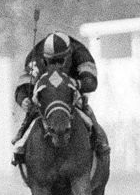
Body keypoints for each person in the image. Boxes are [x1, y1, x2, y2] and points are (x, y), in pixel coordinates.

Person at [11, 31, 110, 166]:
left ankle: (99, 140)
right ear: (44, 58)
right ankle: (21, 144)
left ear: (69, 55)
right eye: (51, 62)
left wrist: (77, 84)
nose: (56, 66)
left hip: (71, 96)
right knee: (33, 112)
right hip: (46, 100)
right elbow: (22, 87)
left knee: (85, 109)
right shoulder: (36, 56)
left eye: (60, 61)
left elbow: (91, 81)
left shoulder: (80, 53)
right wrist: (23, 100)